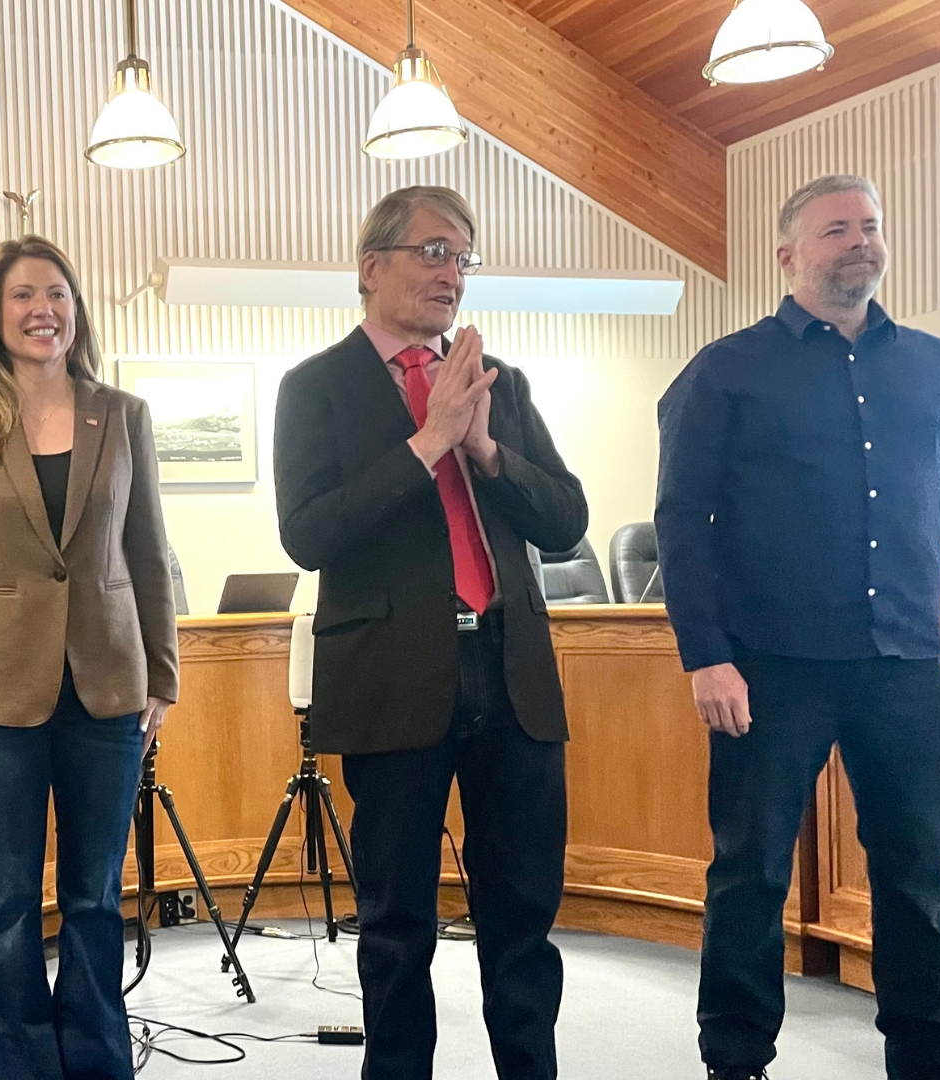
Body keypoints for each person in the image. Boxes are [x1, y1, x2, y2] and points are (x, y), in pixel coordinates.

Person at [656, 174, 940, 1080]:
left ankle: (930, 1061)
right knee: (751, 875)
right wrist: (707, 656)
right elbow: (680, 519)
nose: (859, 241)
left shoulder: (934, 368)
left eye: (870, 226)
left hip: (902, 667)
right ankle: (734, 1060)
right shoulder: (726, 369)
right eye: (835, 230)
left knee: (917, 879)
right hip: (769, 671)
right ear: (788, 256)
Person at [274, 186, 587, 1080]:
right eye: (434, 251)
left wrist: (485, 447)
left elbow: (566, 520)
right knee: (397, 927)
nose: (451, 273)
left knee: (523, 922)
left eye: (464, 256)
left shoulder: (503, 385)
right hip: (393, 682)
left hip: (512, 675)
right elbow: (308, 532)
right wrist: (427, 443)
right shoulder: (315, 387)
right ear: (372, 268)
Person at [0, 235, 177, 1080]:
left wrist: (162, 675)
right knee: (9, 902)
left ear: (77, 308)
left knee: (98, 896)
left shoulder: (123, 414)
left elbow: (149, 555)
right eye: (24, 295)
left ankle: (100, 1060)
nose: (44, 310)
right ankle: (20, 1065)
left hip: (108, 689)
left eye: (57, 293)